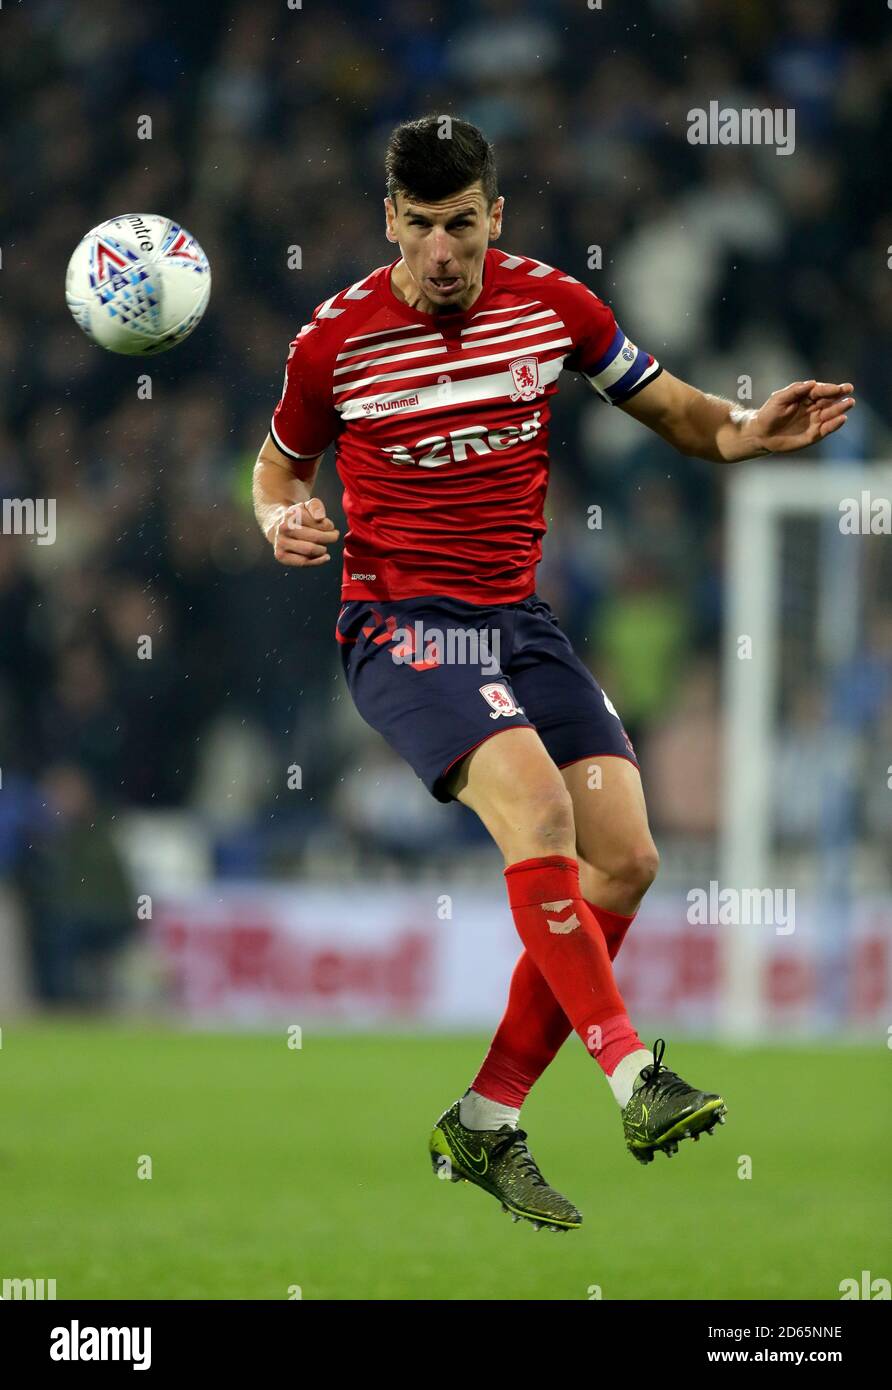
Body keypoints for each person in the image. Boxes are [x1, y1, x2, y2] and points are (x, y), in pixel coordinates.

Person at [252, 115, 855, 1232]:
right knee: (537, 812)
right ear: (390, 220)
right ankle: (636, 1076)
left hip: (517, 625)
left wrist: (745, 429)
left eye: (463, 225)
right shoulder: (330, 344)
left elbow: (673, 409)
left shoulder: (553, 306)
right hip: (400, 626)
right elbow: (278, 467)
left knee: (624, 855)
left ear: (496, 217)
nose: (443, 251)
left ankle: (484, 1122)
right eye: (422, 226)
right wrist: (281, 520)